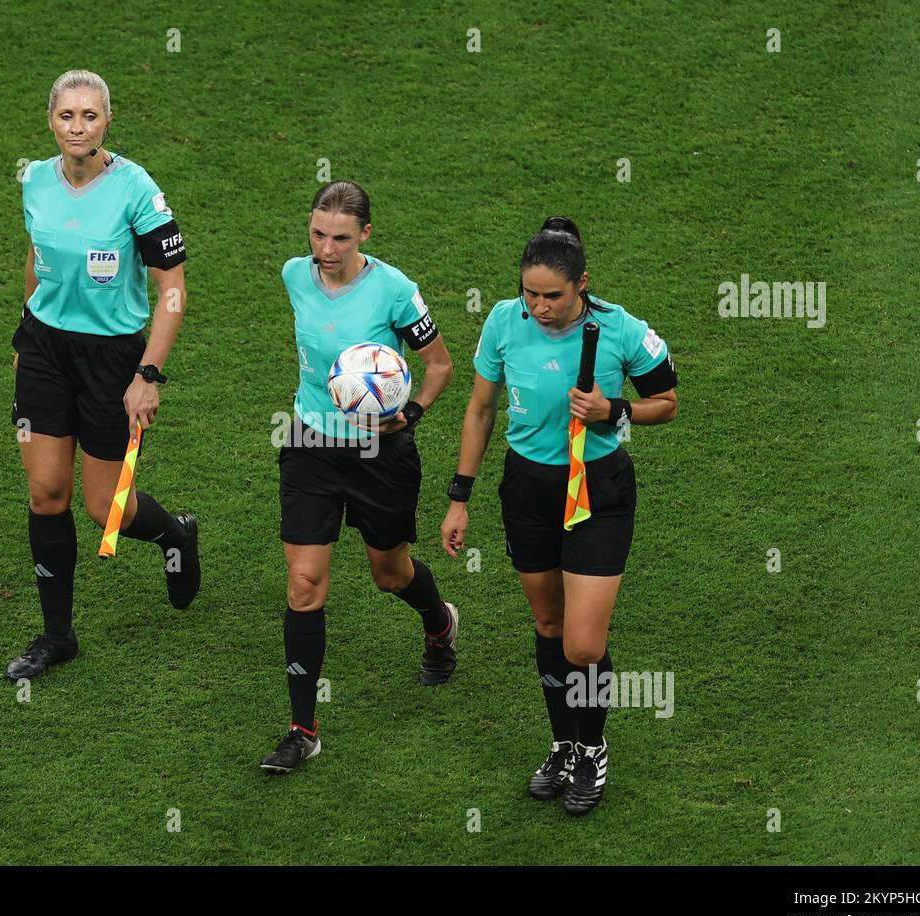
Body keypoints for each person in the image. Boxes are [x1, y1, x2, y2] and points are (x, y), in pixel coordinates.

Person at [440, 216, 678, 814]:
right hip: (526, 490)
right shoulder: (502, 321)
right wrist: (459, 496)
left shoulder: (621, 330)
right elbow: (479, 411)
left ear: (582, 286)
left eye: (553, 296)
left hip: (596, 492)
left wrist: (612, 409)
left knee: (581, 643)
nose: (539, 307)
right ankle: (564, 743)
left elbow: (667, 403)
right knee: (548, 625)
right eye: (531, 294)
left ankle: (593, 748)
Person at [5, 69, 199, 682]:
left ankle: (174, 534)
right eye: (67, 116)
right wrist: (24, 332)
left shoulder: (136, 189)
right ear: (51, 120)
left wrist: (149, 374)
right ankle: (57, 636)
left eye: (89, 116)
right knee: (45, 494)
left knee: (102, 508)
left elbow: (172, 290)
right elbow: (36, 258)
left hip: (112, 358)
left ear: (107, 120)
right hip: (43, 349)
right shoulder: (35, 179)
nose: (77, 127)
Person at [260, 181, 457, 773]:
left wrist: (411, 414)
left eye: (341, 237)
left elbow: (441, 364)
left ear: (365, 235)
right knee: (304, 583)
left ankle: (439, 621)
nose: (326, 248)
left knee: (389, 574)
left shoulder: (394, 290)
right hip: (309, 446)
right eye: (318, 233)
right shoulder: (295, 275)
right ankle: (302, 728)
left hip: (379, 456)